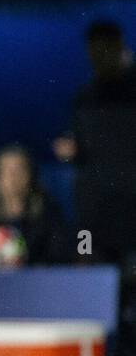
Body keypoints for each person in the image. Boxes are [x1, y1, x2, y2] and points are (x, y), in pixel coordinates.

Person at [53, 20, 136, 265]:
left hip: (132, 205)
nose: (100, 56)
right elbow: (81, 150)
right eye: (95, 51)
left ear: (119, 47)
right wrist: (71, 151)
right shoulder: (84, 98)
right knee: (95, 274)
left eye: (106, 49)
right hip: (98, 212)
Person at [0, 145, 68, 268]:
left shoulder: (47, 211)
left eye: (20, 170)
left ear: (31, 175)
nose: (13, 177)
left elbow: (59, 256)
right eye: (6, 170)